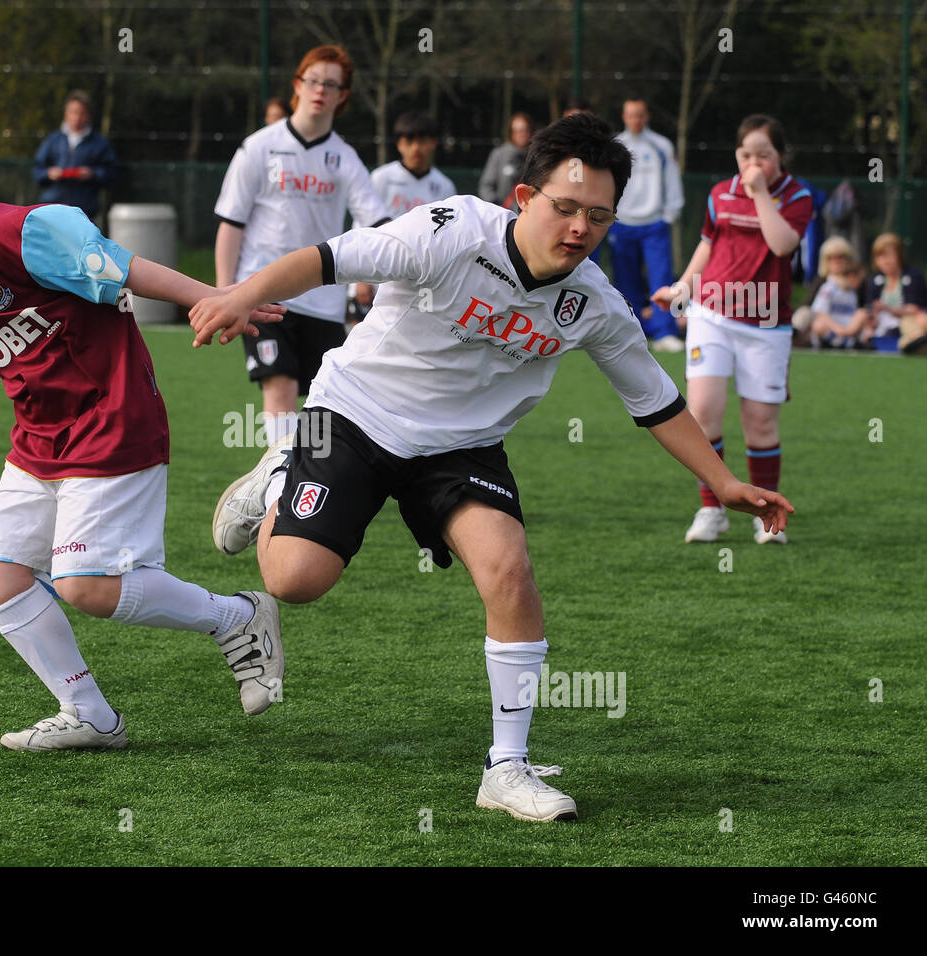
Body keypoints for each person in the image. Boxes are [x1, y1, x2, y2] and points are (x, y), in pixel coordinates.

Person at [190, 113, 792, 822]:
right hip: (353, 411)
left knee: (509, 568)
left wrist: (722, 483)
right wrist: (240, 294)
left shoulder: (591, 302)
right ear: (525, 198)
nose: (578, 228)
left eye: (598, 216)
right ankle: (282, 470)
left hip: (461, 445)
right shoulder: (449, 230)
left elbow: (655, 399)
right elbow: (329, 258)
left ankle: (505, 766)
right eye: (565, 207)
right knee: (293, 581)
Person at [0, 139, 286, 751]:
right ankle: (90, 716)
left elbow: (118, 264)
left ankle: (237, 617)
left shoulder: (17, 230)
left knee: (89, 587)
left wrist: (214, 299)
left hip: (111, 422)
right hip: (38, 442)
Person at [214, 44, 390, 449]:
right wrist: (226, 294)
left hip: (323, 300)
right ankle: (279, 480)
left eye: (331, 84)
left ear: (342, 95)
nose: (320, 90)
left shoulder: (344, 158)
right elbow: (231, 224)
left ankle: (299, 488)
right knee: (280, 387)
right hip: (263, 293)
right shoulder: (258, 147)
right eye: (313, 80)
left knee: (320, 401)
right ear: (297, 84)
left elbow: (376, 223)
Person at [652, 114, 811, 546]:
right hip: (712, 316)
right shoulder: (720, 192)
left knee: (760, 423)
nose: (754, 162)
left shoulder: (797, 195)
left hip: (767, 324)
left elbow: (782, 245)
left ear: (781, 156)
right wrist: (682, 289)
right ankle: (710, 509)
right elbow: (708, 244)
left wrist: (760, 194)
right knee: (703, 412)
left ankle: (765, 515)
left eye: (764, 154)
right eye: (746, 155)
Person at [350, 111, 455, 322]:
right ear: (399, 144)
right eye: (409, 141)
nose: (416, 148)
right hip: (378, 273)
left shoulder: (444, 187)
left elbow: (448, 239)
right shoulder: (382, 178)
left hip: (419, 282)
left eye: (423, 141)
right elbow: (361, 225)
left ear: (433, 143)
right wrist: (358, 279)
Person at [609, 97, 684, 352]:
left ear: (647, 115)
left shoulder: (662, 145)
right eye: (631, 115)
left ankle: (665, 332)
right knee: (624, 283)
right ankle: (631, 333)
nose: (635, 120)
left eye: (639, 114)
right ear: (624, 116)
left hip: (655, 223)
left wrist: (669, 214)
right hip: (622, 223)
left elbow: (672, 180)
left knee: (662, 279)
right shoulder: (616, 146)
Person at [33, 91, 119, 222]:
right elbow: (37, 170)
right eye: (73, 112)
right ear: (66, 114)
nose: (77, 117)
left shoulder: (99, 143)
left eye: (82, 113)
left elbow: (112, 172)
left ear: (88, 116)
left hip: (85, 212)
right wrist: (48, 173)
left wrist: (93, 174)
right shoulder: (53, 140)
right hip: (52, 210)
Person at [851, 232, 927, 353]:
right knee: (861, 314)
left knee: (912, 320)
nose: (885, 261)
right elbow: (870, 307)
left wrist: (889, 309)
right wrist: (870, 323)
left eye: (889, 256)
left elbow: (914, 309)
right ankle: (847, 340)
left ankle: (914, 341)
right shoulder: (875, 279)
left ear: (899, 256)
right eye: (880, 257)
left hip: (908, 322)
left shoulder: (913, 276)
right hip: (882, 323)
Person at [790, 235, 860, 346]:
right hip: (823, 321)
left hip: (847, 322)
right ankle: (794, 336)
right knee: (805, 314)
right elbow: (812, 306)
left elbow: (861, 308)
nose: (836, 261)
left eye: (840, 257)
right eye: (832, 257)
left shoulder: (856, 282)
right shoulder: (822, 281)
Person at [478, 112, 532, 209]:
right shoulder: (499, 154)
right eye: (517, 131)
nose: (522, 134)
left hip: (526, 216)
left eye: (525, 130)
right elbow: (486, 187)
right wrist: (496, 208)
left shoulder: (535, 157)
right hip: (502, 213)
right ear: (511, 133)